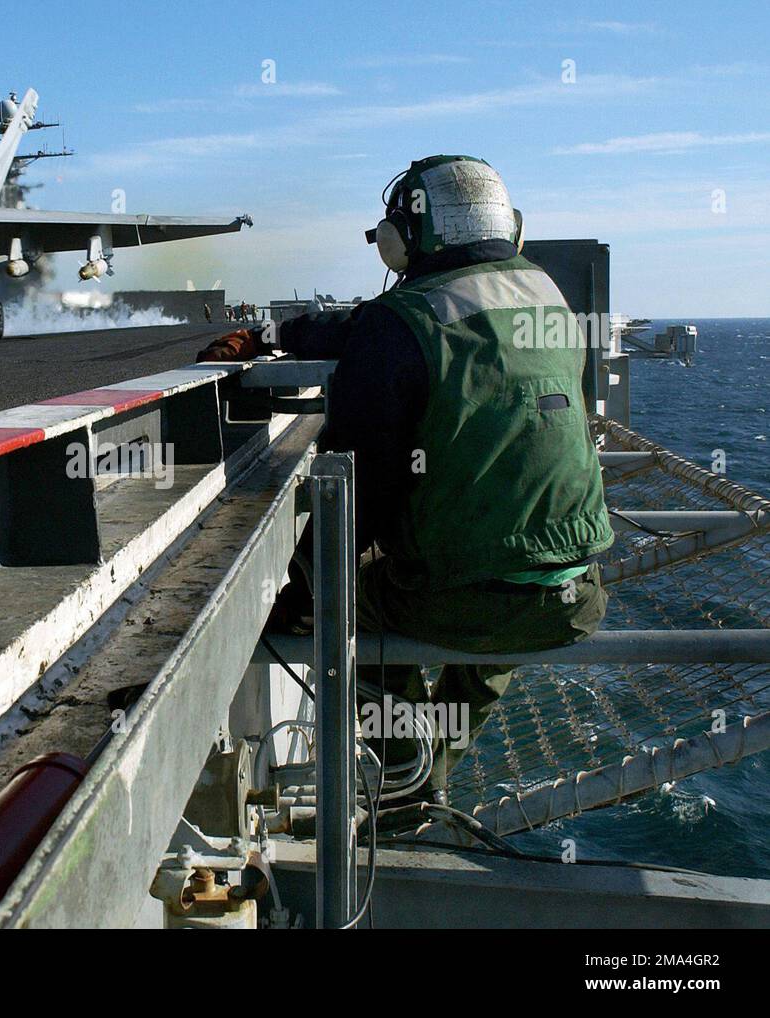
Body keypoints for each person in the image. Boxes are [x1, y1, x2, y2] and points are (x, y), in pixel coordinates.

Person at [198, 155, 613, 801]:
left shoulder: (404, 321)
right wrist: (274, 332)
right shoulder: (544, 296)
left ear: (403, 236)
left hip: (459, 601)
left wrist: (303, 595)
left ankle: (398, 766)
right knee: (487, 639)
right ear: (512, 227)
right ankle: (425, 785)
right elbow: (380, 328)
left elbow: (356, 488)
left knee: (351, 610)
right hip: (574, 598)